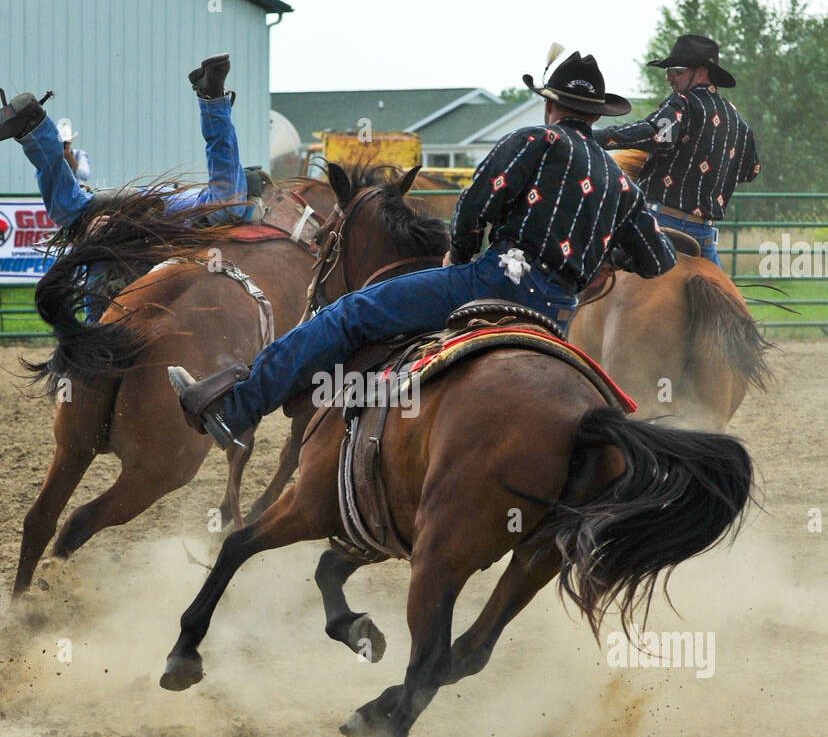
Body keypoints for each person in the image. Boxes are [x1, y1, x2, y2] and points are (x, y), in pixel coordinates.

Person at [170, 50, 677, 450]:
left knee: (351, 313)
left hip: (493, 284)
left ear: (550, 105)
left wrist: (459, 254)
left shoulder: (534, 142)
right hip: (554, 318)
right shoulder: (622, 185)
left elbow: (476, 204)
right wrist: (598, 251)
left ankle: (238, 409)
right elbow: (658, 259)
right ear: (594, 115)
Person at [0, 53, 256, 233]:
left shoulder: (217, 201)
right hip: (169, 206)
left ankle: (34, 128)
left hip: (156, 204)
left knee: (69, 210)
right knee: (226, 205)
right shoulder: (223, 206)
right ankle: (212, 98)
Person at [592, 33, 760, 267]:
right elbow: (750, 171)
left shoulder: (682, 102)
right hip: (704, 238)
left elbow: (656, 134)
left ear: (702, 71)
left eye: (677, 70)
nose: (669, 77)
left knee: (589, 269)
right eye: (668, 70)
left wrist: (593, 136)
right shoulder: (739, 123)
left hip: (658, 224)